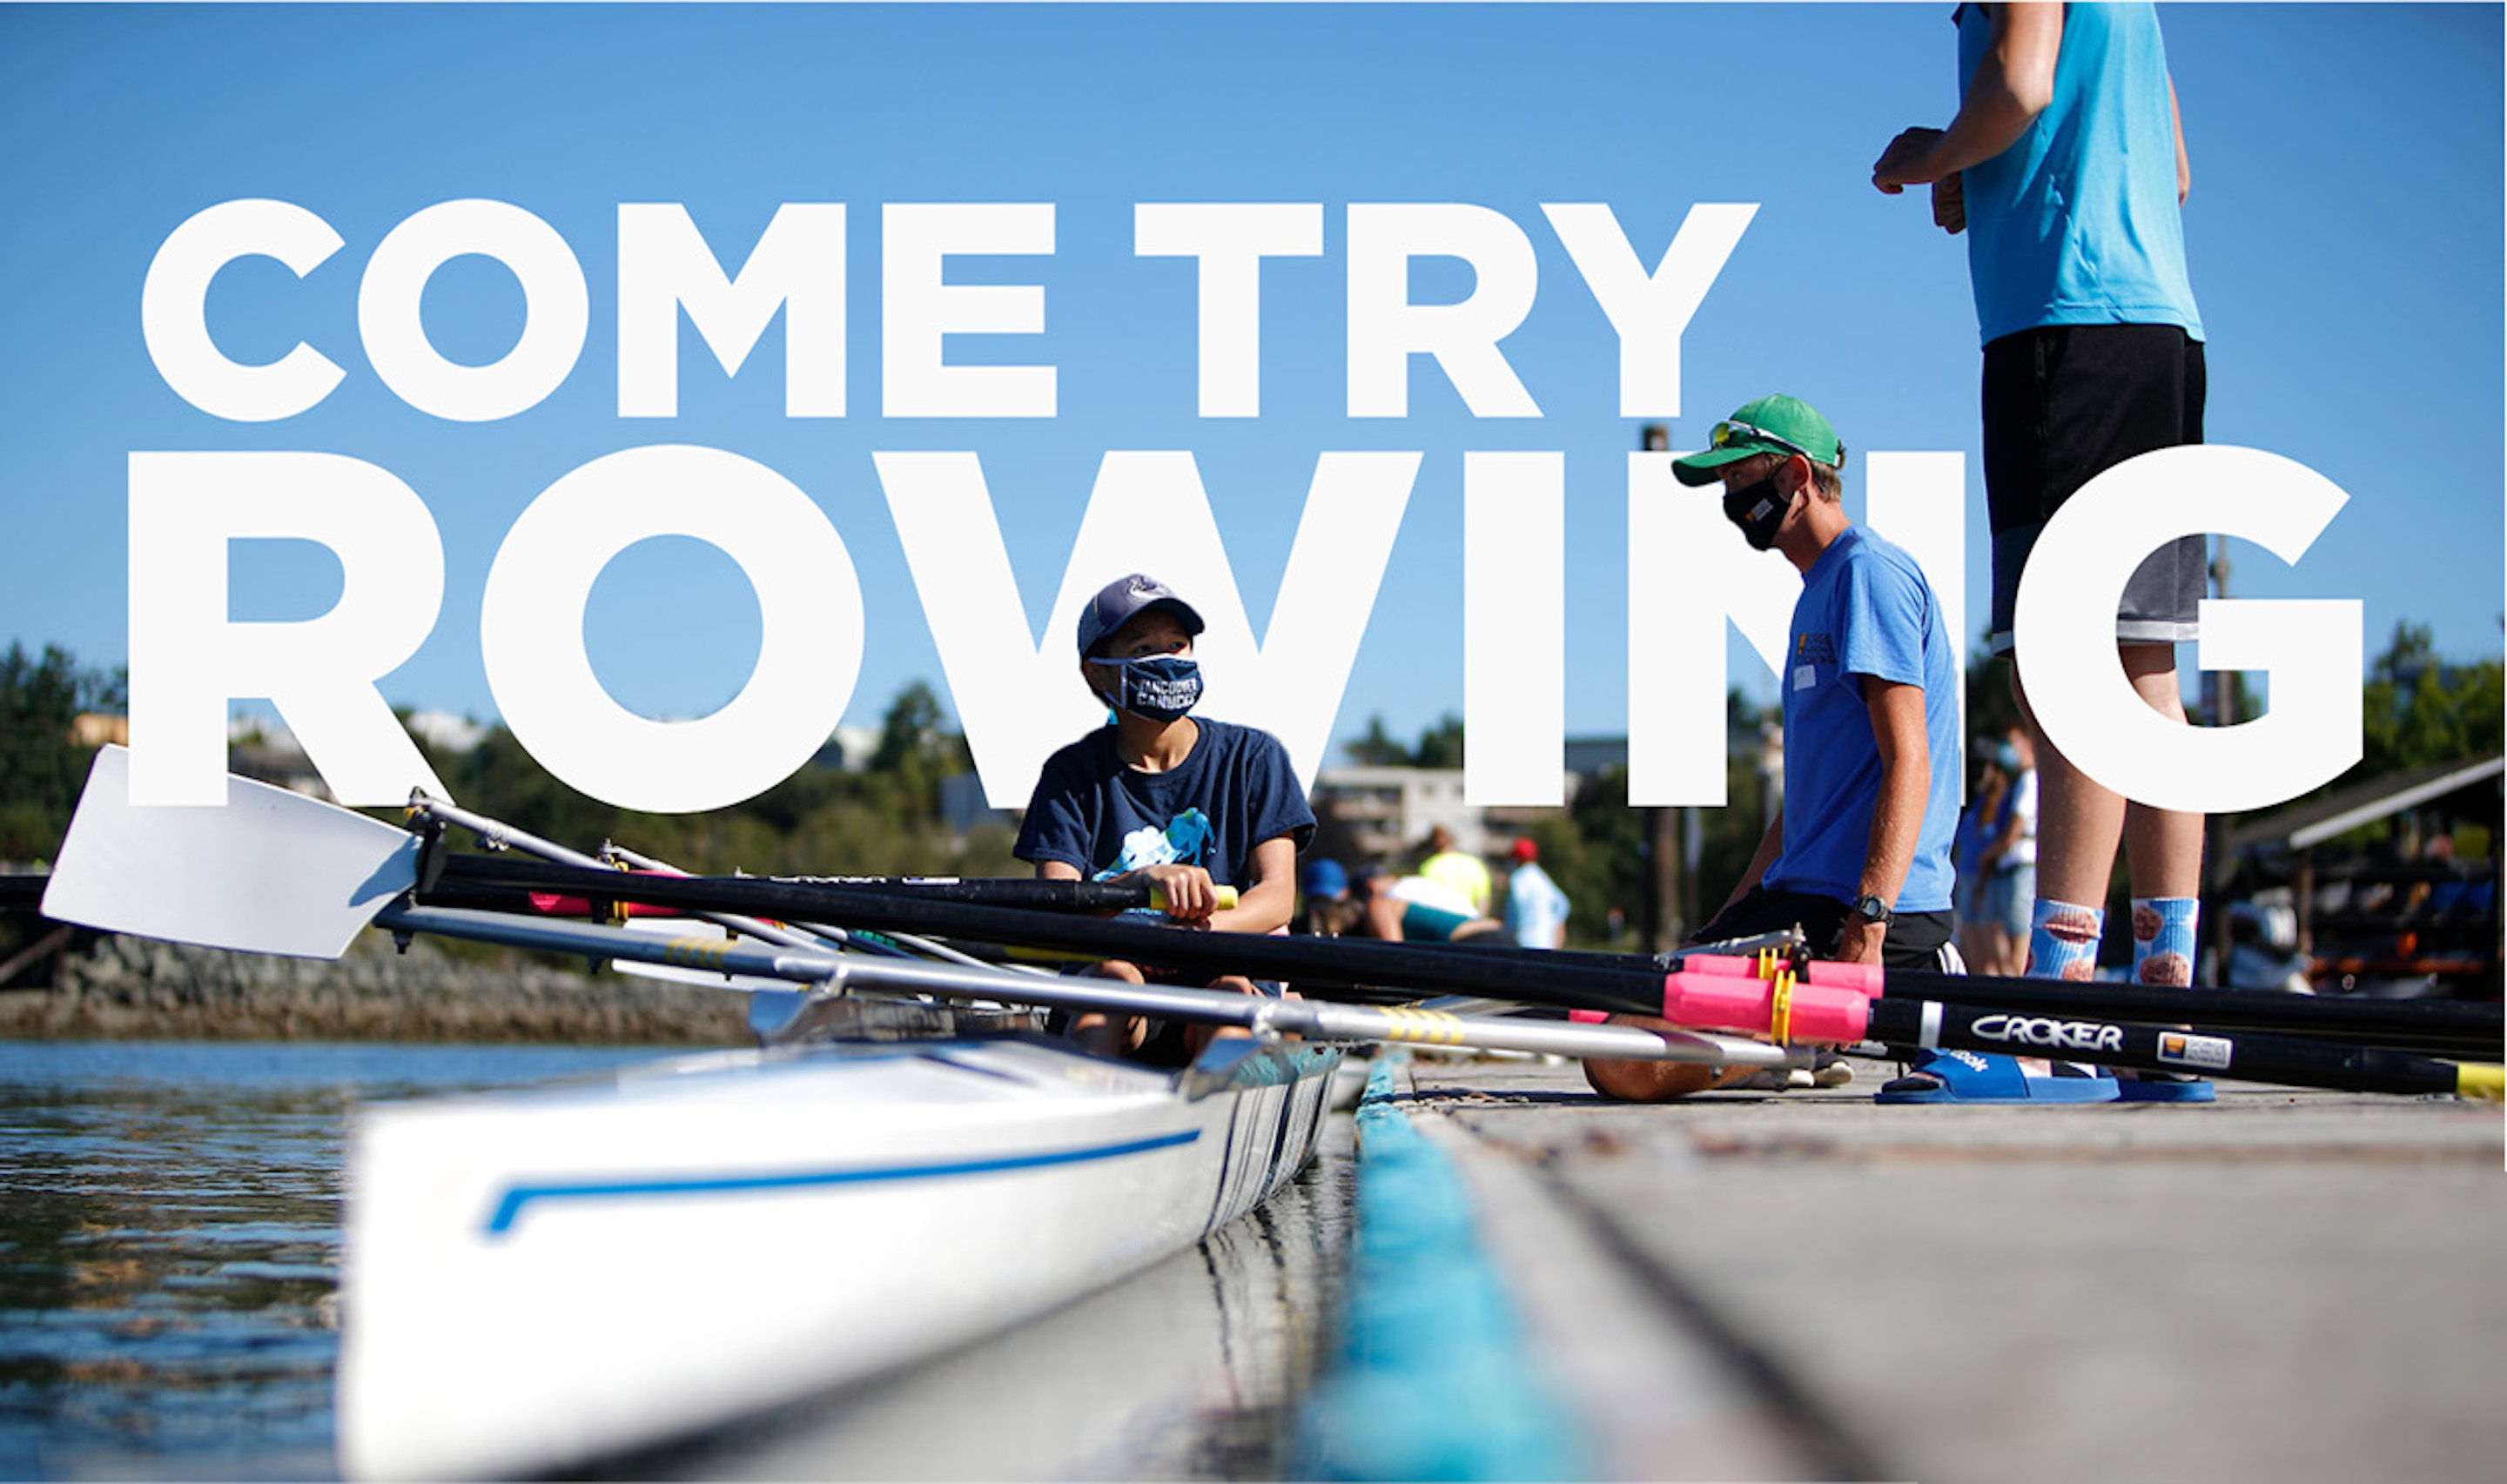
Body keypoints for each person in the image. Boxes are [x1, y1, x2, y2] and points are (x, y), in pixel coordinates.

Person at [1873, 2, 2212, 1100]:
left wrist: (1932, 153)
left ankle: (2055, 1016)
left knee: (2062, 672)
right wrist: (1992, 163)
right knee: (2144, 671)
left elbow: (2019, 87)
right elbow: (2170, 169)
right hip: (2157, 329)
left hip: (2061, 330)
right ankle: (2160, 1018)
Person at [1583, 394, 1984, 1102]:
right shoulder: (1814, 590)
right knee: (1599, 1020)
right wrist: (1721, 925)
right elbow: (1804, 805)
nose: (1731, 500)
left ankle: (1859, 1011)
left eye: (1741, 478)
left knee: (1621, 1063)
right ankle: (1799, 1041)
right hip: (1799, 896)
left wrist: (1870, 926)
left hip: (1857, 910)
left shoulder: (1869, 573)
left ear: (1798, 474)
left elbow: (1910, 759)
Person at [1013, 573, 1314, 1063]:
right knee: (1112, 983)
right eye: (1143, 649)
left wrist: (1184, 936)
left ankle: (1212, 1107)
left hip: (1226, 968)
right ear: (1098, 674)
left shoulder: (1255, 757)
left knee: (1230, 997)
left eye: (1178, 646)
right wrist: (1138, 883)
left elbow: (1278, 898)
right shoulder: (1070, 773)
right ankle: (1080, 1102)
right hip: (1117, 977)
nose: (1169, 661)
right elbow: (1057, 908)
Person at [1953, 742, 2011, 975]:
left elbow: (1999, 845)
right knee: (1975, 953)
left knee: (1994, 949)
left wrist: (1981, 884)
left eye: (1983, 766)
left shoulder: (2002, 804)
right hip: (1967, 879)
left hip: (1984, 882)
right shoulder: (1977, 804)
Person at [1501, 837, 1570, 950]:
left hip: (1523, 944)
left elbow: (1512, 919)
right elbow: (1563, 908)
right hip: (1547, 943)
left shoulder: (1517, 879)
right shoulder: (1542, 878)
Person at [1415, 825, 1492, 916]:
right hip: (1469, 920)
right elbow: (1483, 899)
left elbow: (1425, 902)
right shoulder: (1475, 863)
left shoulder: (1429, 866)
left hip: (1442, 921)